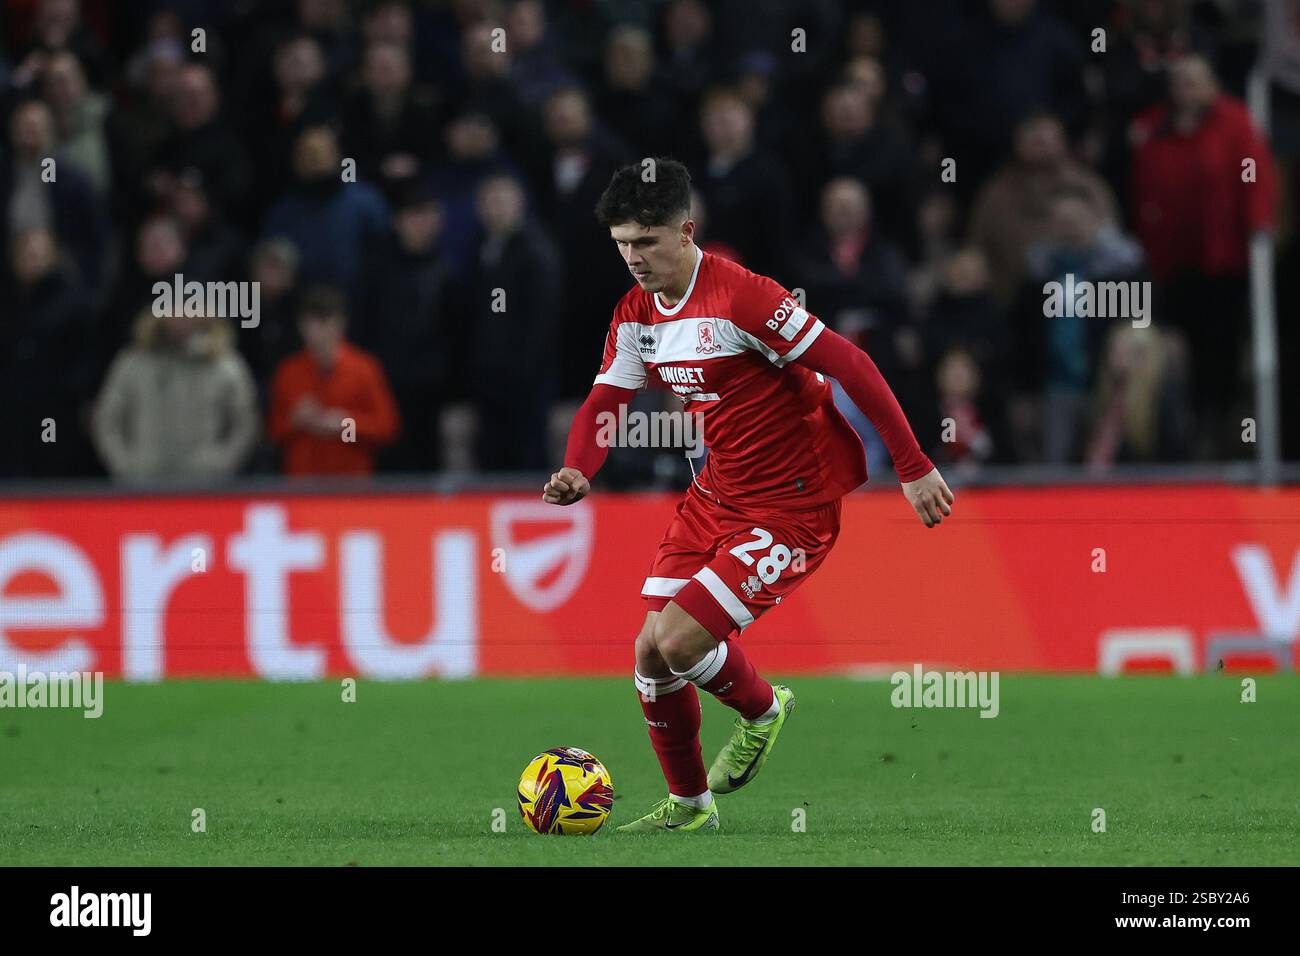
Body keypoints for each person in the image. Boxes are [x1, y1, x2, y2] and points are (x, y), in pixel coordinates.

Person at [543, 159, 952, 832]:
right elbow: (604, 401)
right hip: (716, 493)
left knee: (676, 641)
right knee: (648, 652)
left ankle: (764, 709)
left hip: (792, 505)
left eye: (646, 242)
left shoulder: (743, 298)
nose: (633, 258)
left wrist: (912, 465)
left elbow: (850, 362)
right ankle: (690, 805)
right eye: (622, 244)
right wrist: (579, 468)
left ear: (685, 230)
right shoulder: (637, 313)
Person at [268, 286, 400, 476]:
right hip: (300, 483)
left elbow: (387, 428)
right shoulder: (288, 371)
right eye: (310, 323)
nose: (317, 332)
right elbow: (274, 431)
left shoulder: (364, 369)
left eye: (325, 322)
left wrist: (345, 424)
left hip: (350, 483)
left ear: (341, 323)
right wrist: (296, 420)